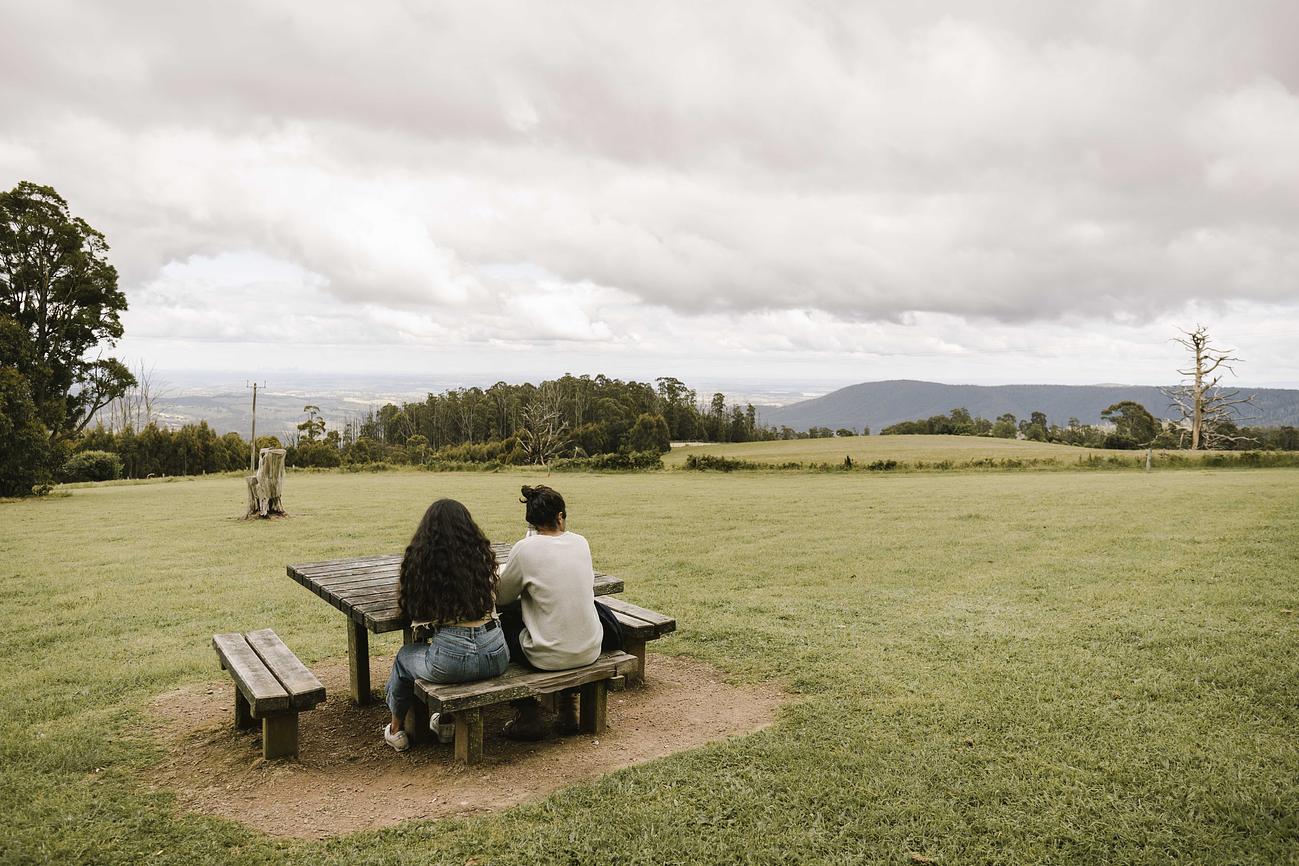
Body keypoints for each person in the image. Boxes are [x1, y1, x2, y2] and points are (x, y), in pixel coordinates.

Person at [383, 498, 510, 752]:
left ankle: (396, 730)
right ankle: (445, 723)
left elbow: (412, 612)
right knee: (459, 665)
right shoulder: (482, 561)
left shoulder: (424, 567)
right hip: (496, 655)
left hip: (451, 661)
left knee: (403, 659)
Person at [497, 484, 622, 739]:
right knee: (563, 615)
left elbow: (502, 597)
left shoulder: (524, 548)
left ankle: (527, 712)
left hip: (546, 656)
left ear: (531, 521)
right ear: (560, 516)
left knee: (502, 626)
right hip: (589, 649)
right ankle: (567, 706)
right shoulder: (581, 542)